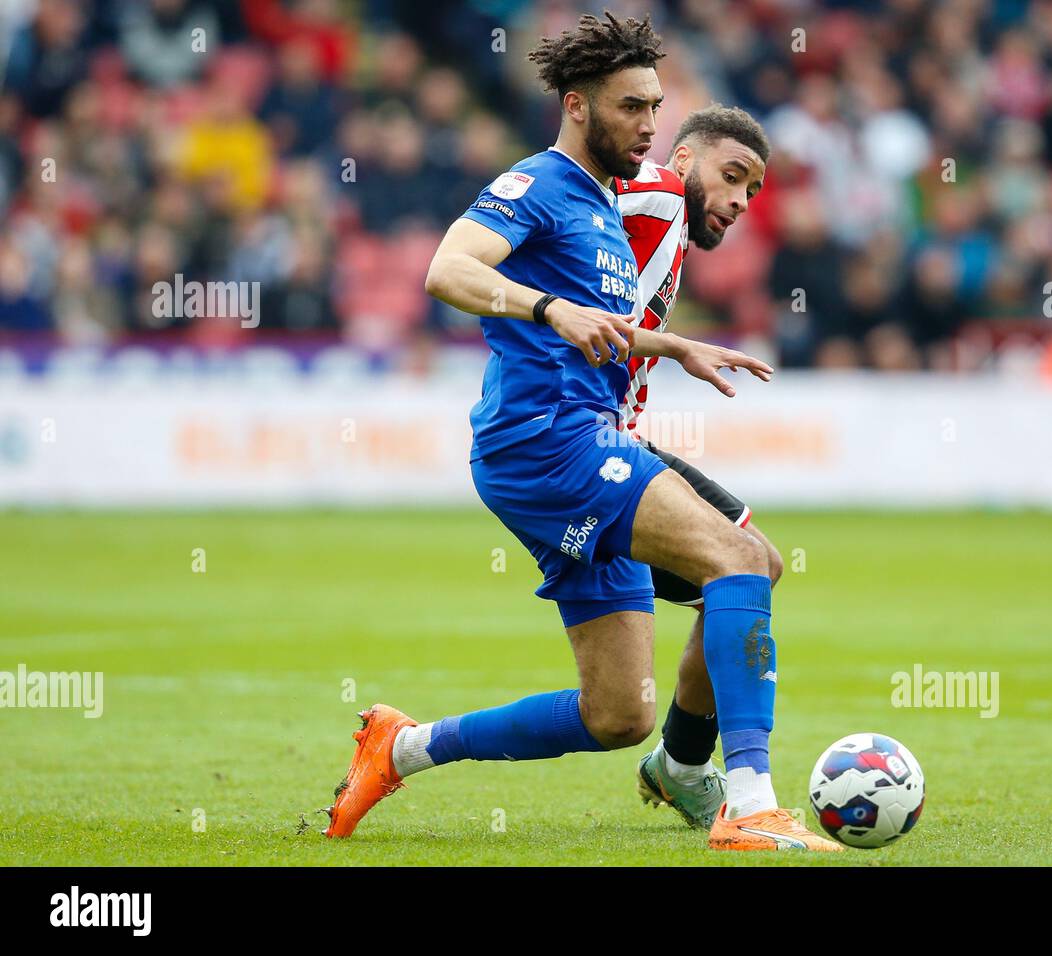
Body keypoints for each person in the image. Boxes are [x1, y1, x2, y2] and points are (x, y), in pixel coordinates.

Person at [322, 11, 840, 852]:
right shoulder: (556, 185)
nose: (648, 124)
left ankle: (402, 747)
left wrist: (668, 343)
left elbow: (597, 319)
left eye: (654, 106)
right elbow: (447, 269)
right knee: (743, 562)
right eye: (634, 108)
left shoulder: (603, 209)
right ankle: (745, 802)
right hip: (552, 438)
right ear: (578, 105)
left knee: (617, 713)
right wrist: (549, 307)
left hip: (572, 444)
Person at [610, 105, 784, 831]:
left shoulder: (671, 231)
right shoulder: (648, 193)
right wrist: (678, 345)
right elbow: (578, 198)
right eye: (732, 177)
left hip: (621, 439)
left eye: (753, 190)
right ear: (683, 162)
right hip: (587, 447)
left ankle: (679, 765)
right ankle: (734, 791)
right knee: (745, 564)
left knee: (754, 566)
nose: (741, 201)